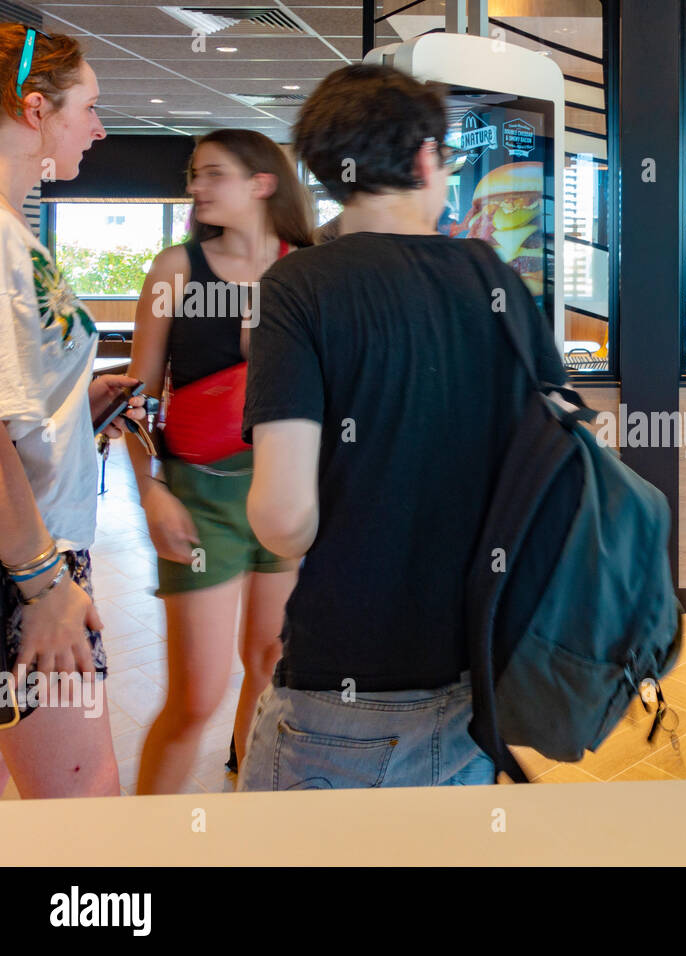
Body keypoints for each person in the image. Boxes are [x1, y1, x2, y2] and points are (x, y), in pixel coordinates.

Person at [237, 63, 567, 791]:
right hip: (484, 672)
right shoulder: (495, 279)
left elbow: (285, 520)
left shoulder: (298, 287)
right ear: (423, 159)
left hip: (346, 687)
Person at [127, 129, 314, 794]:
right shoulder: (174, 269)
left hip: (285, 494)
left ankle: (250, 817)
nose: (196, 187)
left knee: (270, 671)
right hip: (200, 494)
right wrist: (152, 491)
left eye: (212, 174)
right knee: (196, 696)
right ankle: (138, 847)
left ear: (262, 183)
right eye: (194, 175)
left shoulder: (308, 266)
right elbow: (138, 395)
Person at [0, 24, 146, 798]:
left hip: (33, 556)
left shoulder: (14, 228)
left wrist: (77, 409)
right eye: (87, 107)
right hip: (26, 566)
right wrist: (45, 586)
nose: (99, 128)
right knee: (85, 801)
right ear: (35, 109)